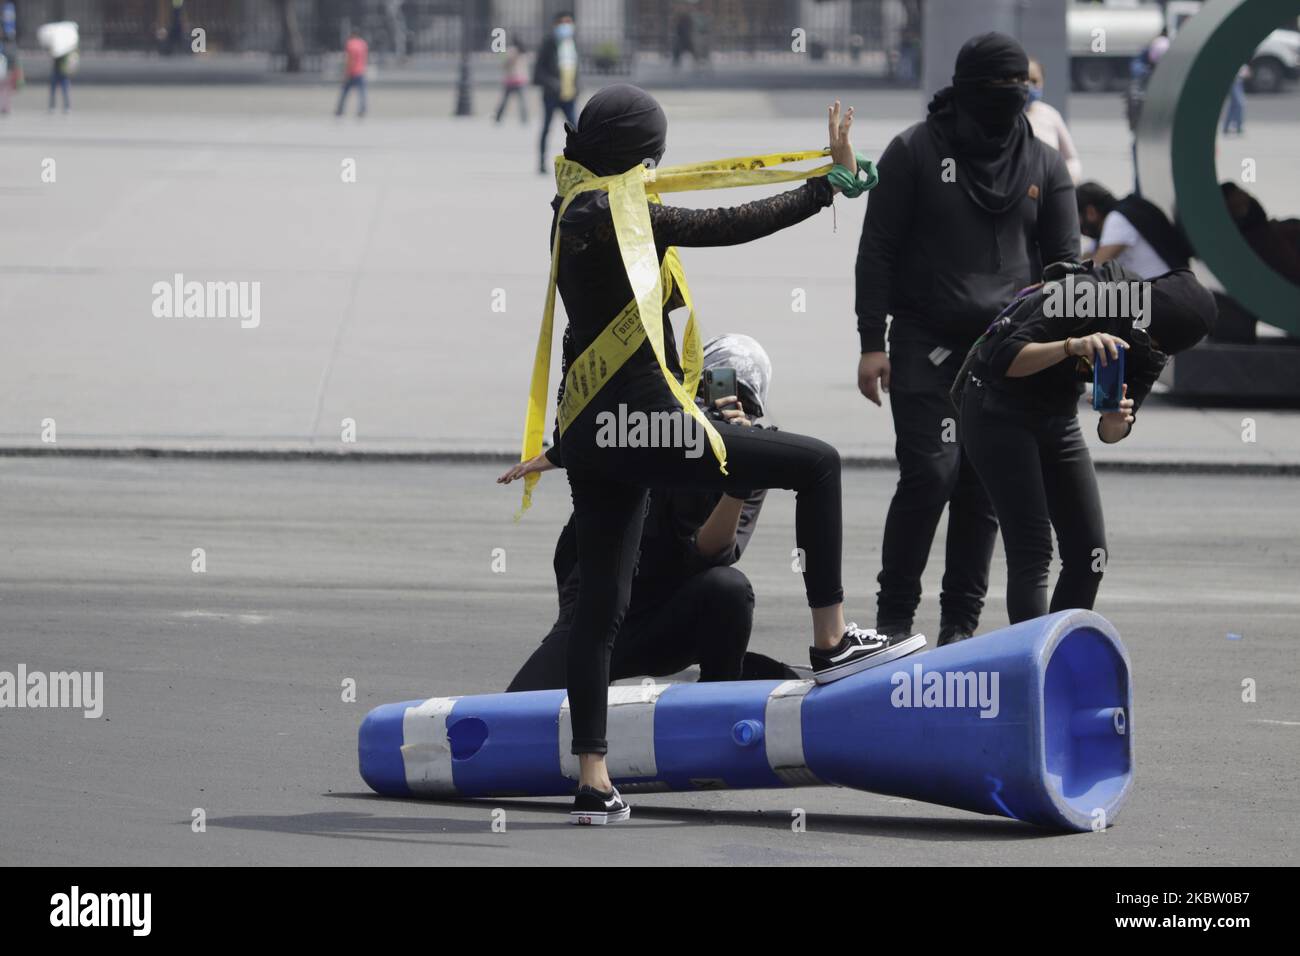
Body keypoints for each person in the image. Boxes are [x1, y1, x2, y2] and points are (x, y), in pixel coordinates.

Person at [538, 84, 923, 824]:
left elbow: (575, 338)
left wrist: (565, 441)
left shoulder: (570, 208)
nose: (659, 163)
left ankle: (593, 779)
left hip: (598, 435)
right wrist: (827, 185)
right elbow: (735, 220)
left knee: (601, 610)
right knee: (815, 463)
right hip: (649, 423)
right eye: (655, 152)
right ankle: (832, 640)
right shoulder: (625, 215)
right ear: (637, 153)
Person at [855, 32, 1079, 648]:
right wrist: (872, 340)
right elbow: (877, 251)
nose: (1010, 100)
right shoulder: (915, 153)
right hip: (925, 342)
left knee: (981, 486)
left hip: (1007, 352)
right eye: (998, 89)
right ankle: (895, 617)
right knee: (932, 471)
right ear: (964, 89)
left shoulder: (1044, 164)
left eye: (1020, 90)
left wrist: (1065, 355)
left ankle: (960, 625)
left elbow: (1064, 269)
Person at [500, 335, 802, 693]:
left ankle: (719, 700)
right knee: (522, 703)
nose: (725, 412)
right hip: (598, 616)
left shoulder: (747, 456)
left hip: (667, 624)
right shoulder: (656, 429)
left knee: (730, 589)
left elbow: (710, 552)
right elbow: (600, 434)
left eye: (745, 403)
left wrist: (738, 476)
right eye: (712, 394)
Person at [956, 261, 1215, 624]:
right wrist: (1071, 345)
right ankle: (1033, 669)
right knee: (1033, 549)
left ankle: (1060, 658)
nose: (1149, 347)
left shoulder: (1154, 348)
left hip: (1057, 416)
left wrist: (1116, 421)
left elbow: (1112, 434)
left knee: (1090, 553)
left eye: (1160, 347)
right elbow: (1002, 359)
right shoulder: (1086, 295)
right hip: (997, 408)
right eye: (1149, 335)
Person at [1077, 181, 1192, 279]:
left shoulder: (1117, 220)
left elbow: (1094, 268)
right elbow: (1084, 258)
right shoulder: (1125, 212)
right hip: (1166, 290)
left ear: (1091, 212)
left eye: (1078, 220)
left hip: (1168, 294)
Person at [534, 11, 579, 174]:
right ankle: (541, 162)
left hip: (570, 95)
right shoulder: (548, 43)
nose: (566, 26)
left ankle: (579, 163)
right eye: (562, 23)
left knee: (576, 131)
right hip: (552, 95)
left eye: (569, 22)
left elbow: (575, 69)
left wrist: (576, 87)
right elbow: (538, 73)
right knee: (547, 127)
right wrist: (553, 84)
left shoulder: (573, 43)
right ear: (555, 25)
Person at [1025, 57, 1081, 183]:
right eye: (1024, 80)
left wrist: (1065, 181)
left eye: (1034, 81)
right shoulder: (1004, 117)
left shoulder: (1051, 115)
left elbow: (1072, 159)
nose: (1029, 86)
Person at [494, 35, 528, 125]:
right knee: (522, 102)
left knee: (504, 102)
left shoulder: (511, 51)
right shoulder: (523, 52)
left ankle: (498, 118)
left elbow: (503, 62)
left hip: (511, 79)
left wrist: (501, 52)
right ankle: (524, 119)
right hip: (521, 79)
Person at [335, 30, 368, 118]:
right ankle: (362, 109)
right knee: (362, 92)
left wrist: (346, 72)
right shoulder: (363, 44)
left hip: (352, 71)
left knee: (345, 92)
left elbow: (349, 59)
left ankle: (340, 109)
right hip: (360, 71)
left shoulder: (350, 44)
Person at [1223, 64, 1249, 135]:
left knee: (1234, 105)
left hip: (1239, 80)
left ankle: (1227, 127)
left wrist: (1245, 70)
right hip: (1234, 81)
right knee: (1239, 104)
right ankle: (1238, 127)